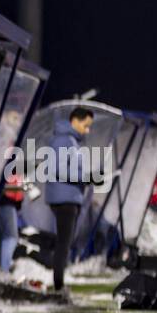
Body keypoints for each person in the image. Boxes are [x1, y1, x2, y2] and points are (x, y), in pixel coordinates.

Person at [43, 106, 94, 292]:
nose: (87, 130)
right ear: (75, 121)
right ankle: (58, 285)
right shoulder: (64, 140)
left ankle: (59, 283)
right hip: (65, 198)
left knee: (65, 242)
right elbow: (58, 169)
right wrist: (85, 178)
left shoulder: (70, 140)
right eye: (86, 125)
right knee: (63, 243)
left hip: (69, 196)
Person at [0, 174, 23, 272]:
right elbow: (17, 185)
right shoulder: (16, 164)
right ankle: (4, 269)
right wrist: (19, 202)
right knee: (11, 237)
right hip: (8, 202)